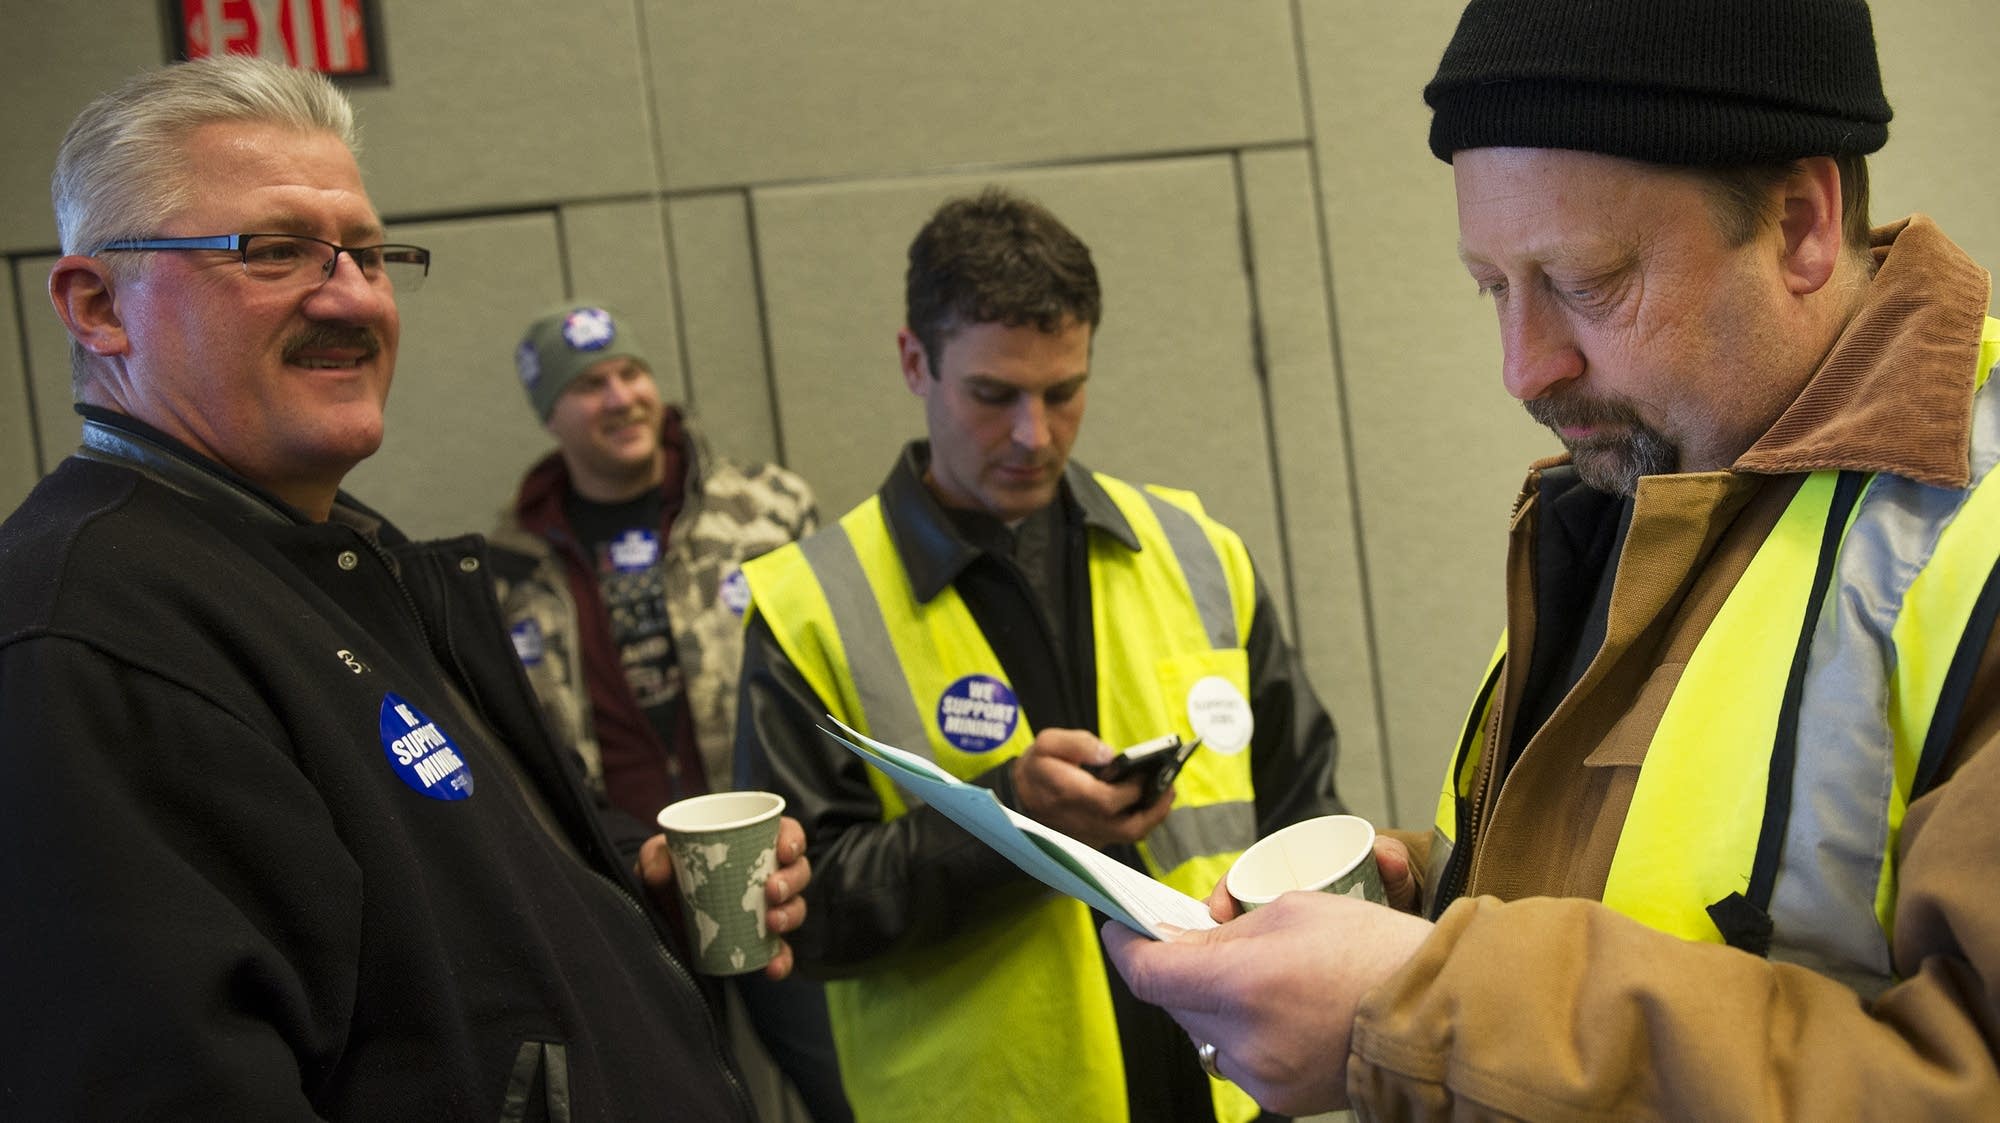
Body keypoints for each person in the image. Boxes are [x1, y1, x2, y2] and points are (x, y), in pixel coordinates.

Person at [1104, 0, 2000, 1118]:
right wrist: (1433, 900)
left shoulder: (1972, 542)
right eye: (1491, 287)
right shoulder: (1650, 477)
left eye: (1585, 281)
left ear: (1800, 224)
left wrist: (1419, 1006)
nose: (1522, 368)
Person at [0, 55, 811, 1119]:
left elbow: (424, 946)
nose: (349, 294)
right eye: (275, 250)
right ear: (97, 304)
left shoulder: (337, 560)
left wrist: (628, 892)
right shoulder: (85, 636)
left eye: (369, 254)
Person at [734, 186, 1344, 1122]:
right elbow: (802, 917)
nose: (1035, 433)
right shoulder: (811, 605)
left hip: (1235, 1091)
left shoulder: (1196, 551)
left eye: (1064, 392)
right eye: (994, 395)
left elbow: (1306, 808)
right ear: (913, 360)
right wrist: (1009, 826)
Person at [488, 302, 848, 1122]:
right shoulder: (510, 561)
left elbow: (833, 672)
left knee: (846, 1085)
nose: (620, 397)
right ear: (550, 413)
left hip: (779, 860)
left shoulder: (766, 506)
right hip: (632, 889)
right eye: (589, 385)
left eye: (631, 372)